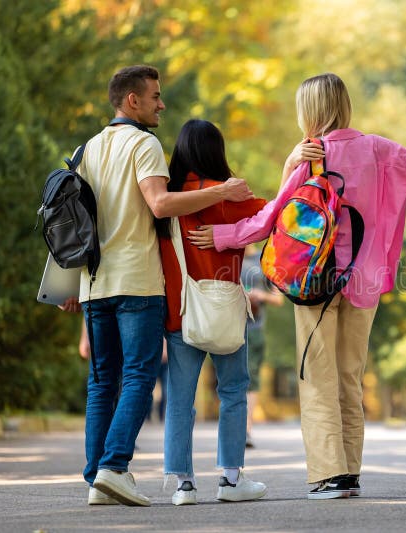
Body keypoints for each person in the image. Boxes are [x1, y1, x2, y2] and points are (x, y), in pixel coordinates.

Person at [188, 72, 406, 499]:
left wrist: (222, 236)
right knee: (351, 377)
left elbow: (273, 218)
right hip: (365, 279)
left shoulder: (309, 155)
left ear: (310, 110)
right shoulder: (378, 148)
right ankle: (349, 472)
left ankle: (328, 475)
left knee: (318, 377)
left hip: (314, 277)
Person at [67, 65, 254, 507]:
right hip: (136, 281)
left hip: (94, 282)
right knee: (138, 375)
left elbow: (73, 222)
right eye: (155, 96)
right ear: (133, 101)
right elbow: (161, 203)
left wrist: (67, 283)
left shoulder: (87, 149)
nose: (161, 104)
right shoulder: (143, 143)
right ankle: (113, 468)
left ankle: (97, 480)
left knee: (101, 383)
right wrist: (221, 192)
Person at [156, 119, 272, 506]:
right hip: (224, 311)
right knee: (234, 392)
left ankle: (183, 486)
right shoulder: (230, 197)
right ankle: (231, 479)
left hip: (180, 312)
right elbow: (274, 214)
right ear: (216, 152)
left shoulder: (169, 199)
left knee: (180, 400)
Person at [239, 245, 284, 448]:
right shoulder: (227, 251)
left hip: (254, 329)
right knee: (231, 379)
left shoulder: (264, 258)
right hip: (227, 328)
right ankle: (233, 430)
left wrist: (259, 295)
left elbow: (278, 298)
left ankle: (246, 430)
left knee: (251, 378)